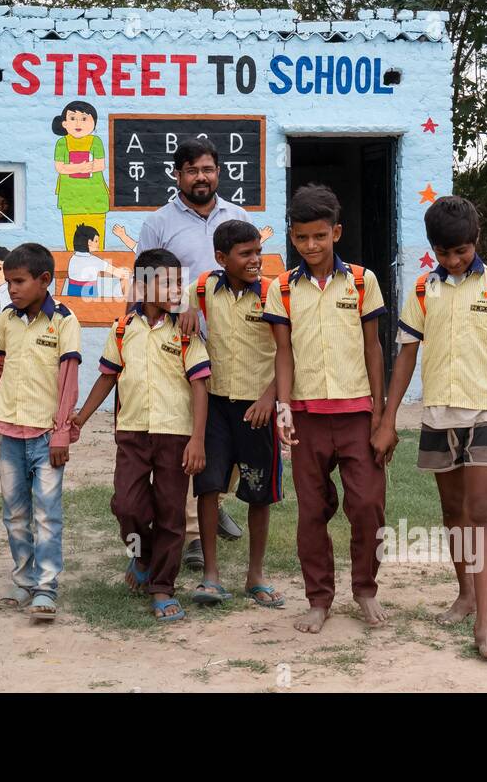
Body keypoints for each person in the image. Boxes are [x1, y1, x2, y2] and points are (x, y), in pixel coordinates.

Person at [371, 195, 487, 661]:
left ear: (475, 241)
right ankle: (464, 593)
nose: (453, 260)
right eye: (443, 253)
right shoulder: (423, 290)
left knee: (480, 511)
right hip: (439, 414)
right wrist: (387, 419)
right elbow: (406, 358)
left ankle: (484, 621)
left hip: (486, 412)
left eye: (460, 251)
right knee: (451, 512)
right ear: (432, 250)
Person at [132, 138, 273, 567]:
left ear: (218, 173)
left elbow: (250, 275)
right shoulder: (158, 222)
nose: (201, 177)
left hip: (237, 345)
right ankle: (194, 531)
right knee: (194, 430)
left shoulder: (238, 216)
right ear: (178, 175)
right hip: (182, 343)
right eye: (192, 170)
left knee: (227, 435)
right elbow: (143, 283)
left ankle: (214, 500)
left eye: (208, 169)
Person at [264, 183, 388, 634]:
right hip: (306, 415)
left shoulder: (361, 280)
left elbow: (374, 348)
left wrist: (381, 412)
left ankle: (365, 589)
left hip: (357, 413)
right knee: (311, 510)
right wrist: (282, 408)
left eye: (319, 236)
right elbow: (283, 352)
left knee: (369, 504)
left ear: (336, 232)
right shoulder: (281, 288)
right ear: (291, 237)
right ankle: (318, 598)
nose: (311, 246)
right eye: (301, 238)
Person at [71, 248, 209, 622]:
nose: (175, 288)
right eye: (166, 281)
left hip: (175, 434)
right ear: (141, 285)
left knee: (170, 512)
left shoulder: (185, 330)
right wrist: (81, 418)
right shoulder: (121, 329)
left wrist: (197, 440)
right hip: (131, 432)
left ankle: (162, 586)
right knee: (127, 505)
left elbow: (200, 386)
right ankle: (143, 556)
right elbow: (107, 376)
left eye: (177, 282)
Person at [0, 242, 81, 621]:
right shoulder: (6, 319)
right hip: (9, 433)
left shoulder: (65, 321)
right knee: (15, 512)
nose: (12, 290)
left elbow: (68, 379)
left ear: (43, 280)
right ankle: (23, 580)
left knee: (46, 513)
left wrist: (60, 433)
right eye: (8, 283)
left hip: (45, 437)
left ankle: (46, 586)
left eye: (19, 282)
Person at [191, 220, 284, 608]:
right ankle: (211, 575)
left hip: (257, 410)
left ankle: (255, 575)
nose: (255, 261)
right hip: (215, 405)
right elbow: (184, 311)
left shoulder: (273, 293)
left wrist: (269, 398)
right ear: (220, 258)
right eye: (245, 254)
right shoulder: (203, 288)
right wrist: (183, 313)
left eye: (257, 253)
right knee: (208, 486)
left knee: (258, 491)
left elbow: (288, 353)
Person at [52, 101, 109, 248]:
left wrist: (73, 167)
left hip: (95, 199)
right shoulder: (62, 143)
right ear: (64, 123)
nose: (78, 123)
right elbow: (60, 168)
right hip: (70, 200)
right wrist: (85, 166)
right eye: (72, 118)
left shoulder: (96, 141)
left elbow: (100, 165)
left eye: (84, 119)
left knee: (96, 243)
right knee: (72, 241)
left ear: (94, 124)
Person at [65, 223, 129, 297]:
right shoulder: (95, 261)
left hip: (72, 299)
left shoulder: (73, 259)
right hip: (90, 301)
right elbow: (118, 273)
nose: (98, 244)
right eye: (96, 241)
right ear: (89, 242)